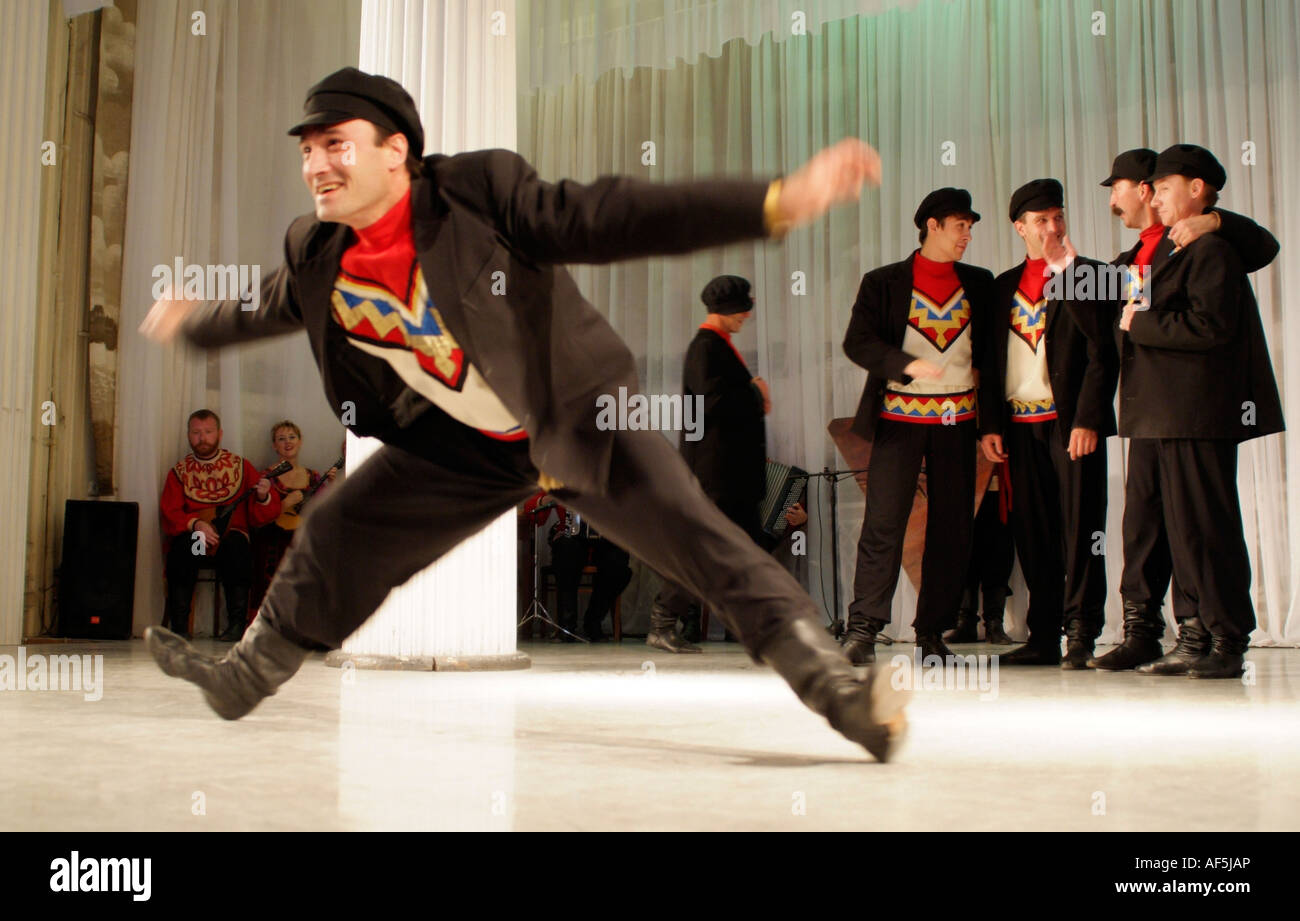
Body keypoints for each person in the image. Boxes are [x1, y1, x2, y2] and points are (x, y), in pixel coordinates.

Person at [138, 67, 908, 760]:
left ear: (395, 149)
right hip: (459, 445)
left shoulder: (477, 193)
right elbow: (267, 304)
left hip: (573, 417)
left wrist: (775, 200)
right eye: (306, 150)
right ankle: (241, 678)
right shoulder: (317, 249)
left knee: (707, 545)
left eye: (335, 144)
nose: (315, 165)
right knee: (338, 527)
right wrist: (193, 320)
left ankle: (844, 697)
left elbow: (613, 214)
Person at [1090, 147, 1281, 671]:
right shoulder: (1162, 252)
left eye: (1165, 187)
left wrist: (1138, 323)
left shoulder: (1213, 249)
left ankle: (1226, 641)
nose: (1155, 197)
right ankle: (1185, 637)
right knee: (1160, 527)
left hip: (1194, 412)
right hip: (1156, 413)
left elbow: (1211, 328)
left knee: (1204, 527)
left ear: (1197, 189)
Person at [842, 189, 995, 664]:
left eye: (970, 227)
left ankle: (932, 631)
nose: (967, 235)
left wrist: (990, 424)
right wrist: (904, 364)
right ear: (932, 226)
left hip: (957, 422)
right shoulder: (883, 282)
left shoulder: (979, 282)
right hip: (898, 421)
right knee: (884, 523)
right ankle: (863, 630)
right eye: (960, 226)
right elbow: (858, 342)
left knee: (952, 529)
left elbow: (990, 358)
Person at [978, 179, 1120, 667]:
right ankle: (1042, 637)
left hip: (1071, 425)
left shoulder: (1092, 276)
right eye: (1041, 221)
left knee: (1083, 529)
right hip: (1020, 425)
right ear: (1020, 228)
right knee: (1032, 532)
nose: (1053, 227)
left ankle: (1081, 632)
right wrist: (989, 425)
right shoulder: (1002, 287)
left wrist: (1088, 418)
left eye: (1058, 217)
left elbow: (1105, 351)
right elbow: (992, 363)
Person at [648, 275, 769, 654]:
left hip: (729, 473)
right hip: (717, 474)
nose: (746, 315)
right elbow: (710, 403)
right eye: (742, 308)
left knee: (743, 551)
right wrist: (754, 392)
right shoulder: (706, 347)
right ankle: (664, 620)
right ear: (727, 309)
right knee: (708, 550)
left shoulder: (715, 346)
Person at [159, 409, 280, 641]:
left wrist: (264, 496)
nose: (202, 438)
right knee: (184, 551)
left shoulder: (241, 467)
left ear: (219, 434)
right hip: (196, 538)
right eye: (196, 432)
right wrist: (196, 525)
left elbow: (262, 514)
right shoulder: (180, 472)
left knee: (237, 549)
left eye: (207, 432)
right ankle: (180, 627)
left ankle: (236, 626)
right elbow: (170, 512)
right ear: (188, 435)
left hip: (229, 538)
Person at [249, 420, 338, 625]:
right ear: (274, 446)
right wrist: (285, 503)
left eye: (291, 437)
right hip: (274, 536)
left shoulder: (313, 476)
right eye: (281, 439)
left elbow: (324, 511)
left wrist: (332, 484)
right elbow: (258, 516)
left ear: (300, 442)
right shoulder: (267, 476)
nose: (287, 442)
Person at [520, 490, 631, 642]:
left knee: (619, 562)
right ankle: (566, 626)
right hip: (572, 539)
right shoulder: (562, 478)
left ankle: (593, 622)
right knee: (566, 549)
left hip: (606, 538)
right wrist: (552, 498)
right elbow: (530, 509)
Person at [944, 467, 1015, 646]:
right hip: (965, 479)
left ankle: (994, 622)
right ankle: (965, 621)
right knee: (964, 551)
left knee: (999, 552)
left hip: (996, 479)